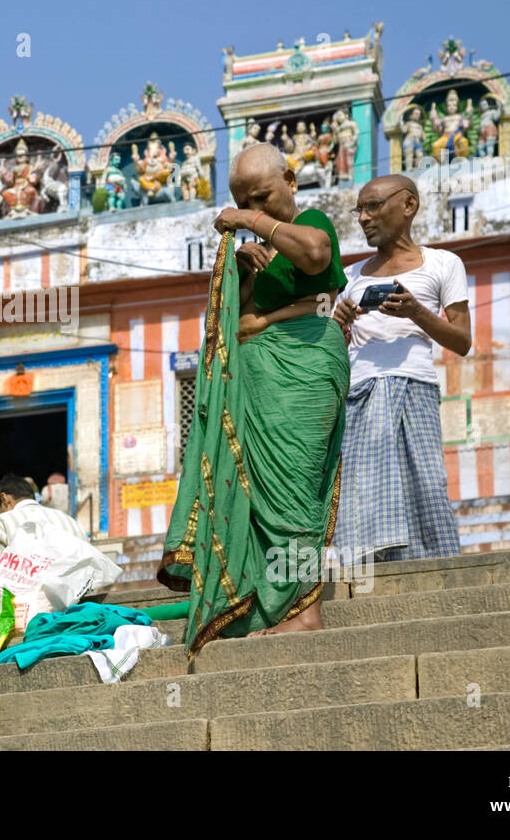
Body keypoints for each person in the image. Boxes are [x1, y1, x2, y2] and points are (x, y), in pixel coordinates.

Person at [159, 143, 349, 657]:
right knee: (264, 497)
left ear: (290, 179)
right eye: (246, 202)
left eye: (262, 197)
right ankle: (270, 605)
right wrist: (244, 269)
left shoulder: (311, 222)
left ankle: (305, 613)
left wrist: (248, 221)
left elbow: (315, 258)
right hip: (261, 384)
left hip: (306, 376)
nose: (257, 211)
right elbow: (235, 327)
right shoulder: (260, 251)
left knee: (295, 496)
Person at [332, 175, 471, 562]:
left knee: (424, 482)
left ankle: (431, 567)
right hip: (359, 393)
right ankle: (367, 571)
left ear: (408, 205)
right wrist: (338, 323)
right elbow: (334, 349)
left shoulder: (444, 263)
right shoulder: (351, 275)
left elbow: (461, 340)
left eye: (373, 206)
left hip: (414, 385)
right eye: (359, 209)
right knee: (363, 487)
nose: (363, 218)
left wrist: (416, 312)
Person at [0, 474, 88, 581]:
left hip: (26, 598)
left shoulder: (0, 523)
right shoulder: (71, 522)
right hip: (82, 597)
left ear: (4, 499)